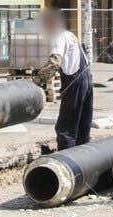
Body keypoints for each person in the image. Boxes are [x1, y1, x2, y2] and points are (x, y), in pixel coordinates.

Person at [38, 8, 93, 151]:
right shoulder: (71, 35)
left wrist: (38, 79)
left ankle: (66, 159)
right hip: (87, 79)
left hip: (75, 81)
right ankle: (84, 155)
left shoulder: (59, 37)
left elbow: (55, 62)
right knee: (82, 123)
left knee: (66, 126)